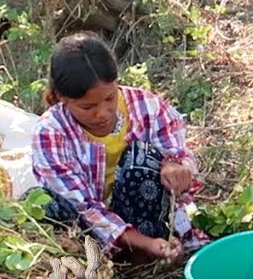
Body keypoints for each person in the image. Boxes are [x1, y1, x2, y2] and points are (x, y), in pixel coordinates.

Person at [31, 33, 211, 263]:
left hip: (143, 215)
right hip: (89, 228)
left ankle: (154, 242)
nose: (103, 113)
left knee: (141, 157)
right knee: (43, 202)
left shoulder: (146, 106)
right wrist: (141, 241)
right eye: (88, 107)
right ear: (61, 98)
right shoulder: (50, 133)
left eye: (109, 98)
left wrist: (175, 165)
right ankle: (128, 250)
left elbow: (178, 152)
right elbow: (84, 207)